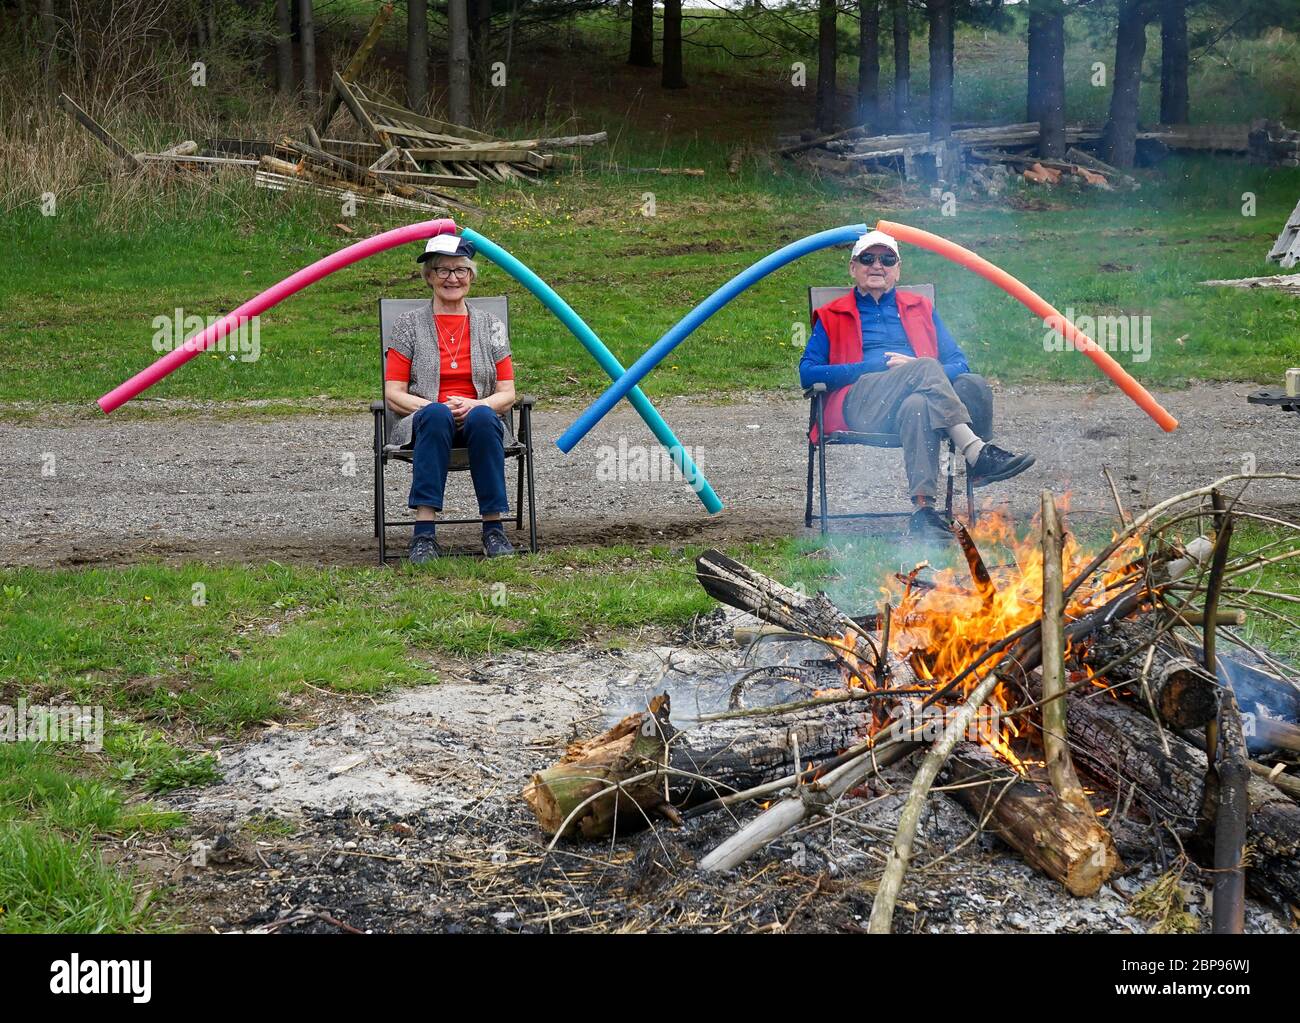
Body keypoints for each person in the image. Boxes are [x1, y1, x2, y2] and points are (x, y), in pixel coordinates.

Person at [799, 229, 1035, 540]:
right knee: (925, 364)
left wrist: (914, 369)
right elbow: (808, 373)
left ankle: (923, 511)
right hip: (859, 403)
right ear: (853, 268)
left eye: (887, 259)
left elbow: (960, 364)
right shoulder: (832, 314)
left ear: (897, 269)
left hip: (907, 401)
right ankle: (977, 452)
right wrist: (869, 366)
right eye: (867, 258)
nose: (877, 265)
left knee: (919, 404)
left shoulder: (921, 307)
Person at [384, 235, 517, 563]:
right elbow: (393, 393)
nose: (452, 278)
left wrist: (477, 404)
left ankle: (494, 530)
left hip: (479, 420)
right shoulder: (408, 325)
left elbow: (508, 393)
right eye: (442, 270)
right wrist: (434, 406)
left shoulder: (491, 325)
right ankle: (424, 536)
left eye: (460, 270)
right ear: (428, 276)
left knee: (484, 417)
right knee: (438, 416)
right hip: (426, 421)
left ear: (471, 276)